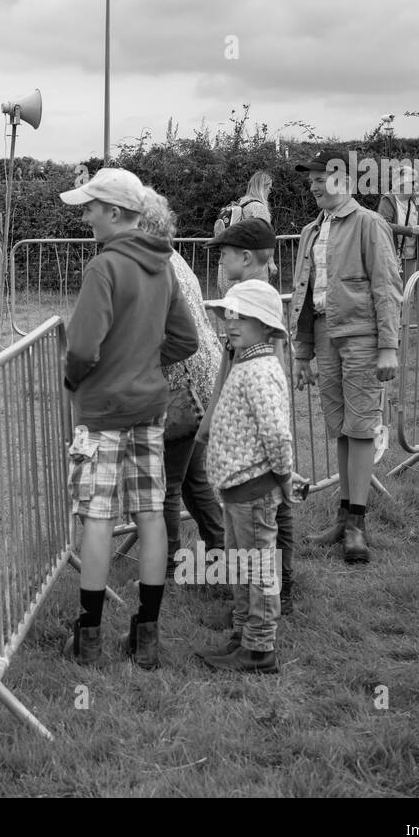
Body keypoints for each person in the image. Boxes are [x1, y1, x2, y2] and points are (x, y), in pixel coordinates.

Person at [59, 168, 198, 670]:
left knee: (97, 516)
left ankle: (89, 634)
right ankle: (147, 635)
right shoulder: (162, 265)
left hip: (101, 412)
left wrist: (76, 379)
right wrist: (144, 361)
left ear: (115, 213)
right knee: (150, 511)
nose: (86, 215)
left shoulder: (104, 268)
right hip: (149, 409)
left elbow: (81, 347)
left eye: (90, 207)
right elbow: (187, 340)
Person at [290, 148, 403, 565]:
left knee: (360, 427)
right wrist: (303, 352)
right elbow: (303, 294)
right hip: (323, 335)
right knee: (339, 427)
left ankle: (357, 523)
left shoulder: (370, 224)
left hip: (361, 338)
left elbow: (387, 288)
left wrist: (388, 346)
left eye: (324, 178)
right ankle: (343, 516)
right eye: (312, 180)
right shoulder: (311, 231)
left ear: (347, 181)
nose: (316, 185)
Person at [198, 279, 294, 674]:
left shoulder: (261, 371)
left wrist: (285, 477)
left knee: (256, 567)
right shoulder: (244, 362)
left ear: (267, 325)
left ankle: (259, 647)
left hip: (253, 491)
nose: (231, 324)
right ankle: (242, 632)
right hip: (236, 491)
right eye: (229, 315)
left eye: (243, 317)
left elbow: (276, 433)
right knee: (240, 564)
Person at [203, 217, 298, 615]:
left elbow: (269, 412)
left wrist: (283, 474)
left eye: (224, 254)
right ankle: (255, 611)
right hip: (247, 460)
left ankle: (270, 606)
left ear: (245, 256)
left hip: (258, 462)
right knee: (257, 534)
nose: (221, 261)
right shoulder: (250, 306)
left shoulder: (256, 306)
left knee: (271, 525)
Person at [136, 192, 226, 581]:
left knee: (167, 484)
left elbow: (160, 330)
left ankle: (168, 566)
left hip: (181, 384)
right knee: (193, 478)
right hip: (202, 377)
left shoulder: (152, 265)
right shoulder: (170, 255)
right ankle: (221, 555)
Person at [214, 170, 274, 296]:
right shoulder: (259, 208)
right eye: (269, 188)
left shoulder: (241, 203)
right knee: (251, 306)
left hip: (226, 262)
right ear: (263, 187)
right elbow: (265, 237)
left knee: (230, 308)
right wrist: (271, 262)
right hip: (247, 266)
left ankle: (231, 317)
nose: (270, 191)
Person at [376, 166, 419, 282]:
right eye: (413, 182)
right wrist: (411, 231)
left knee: (408, 295)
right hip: (390, 257)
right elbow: (383, 224)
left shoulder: (417, 198)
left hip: (411, 257)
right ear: (402, 184)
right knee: (392, 294)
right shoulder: (388, 199)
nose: (417, 186)